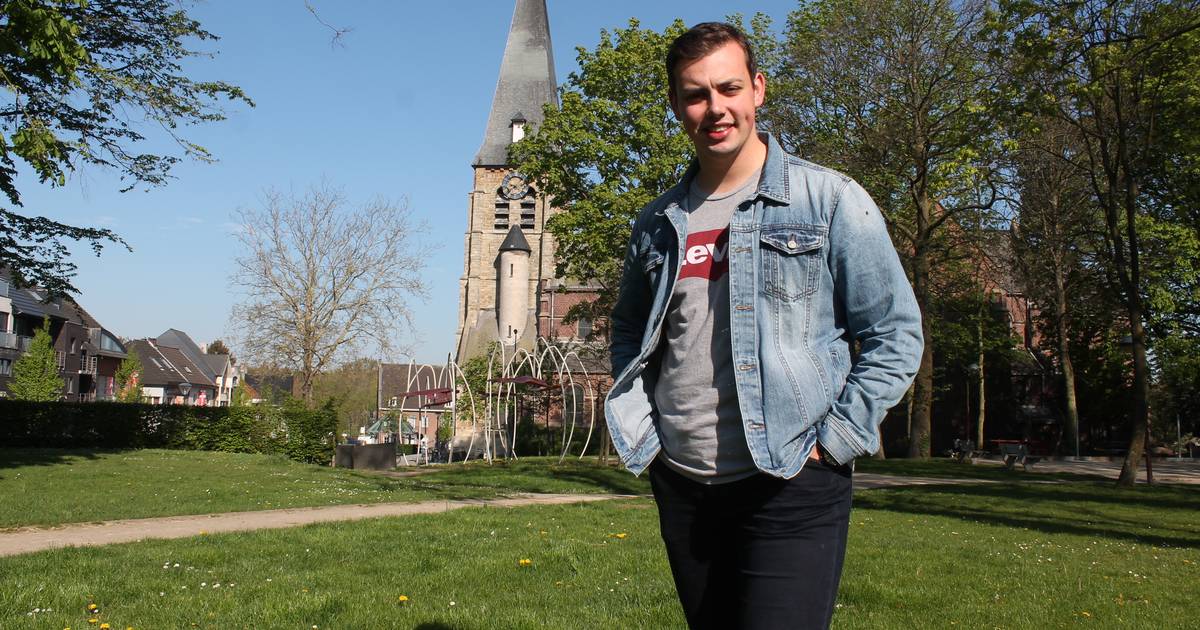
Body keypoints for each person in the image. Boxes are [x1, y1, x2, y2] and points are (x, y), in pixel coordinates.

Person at [604, 22, 924, 630]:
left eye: (728, 88)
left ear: (758, 89)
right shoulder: (657, 223)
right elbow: (628, 329)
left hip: (792, 481)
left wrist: (834, 442)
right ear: (677, 105)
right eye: (695, 95)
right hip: (684, 483)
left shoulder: (827, 199)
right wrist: (647, 431)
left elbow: (894, 332)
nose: (714, 108)